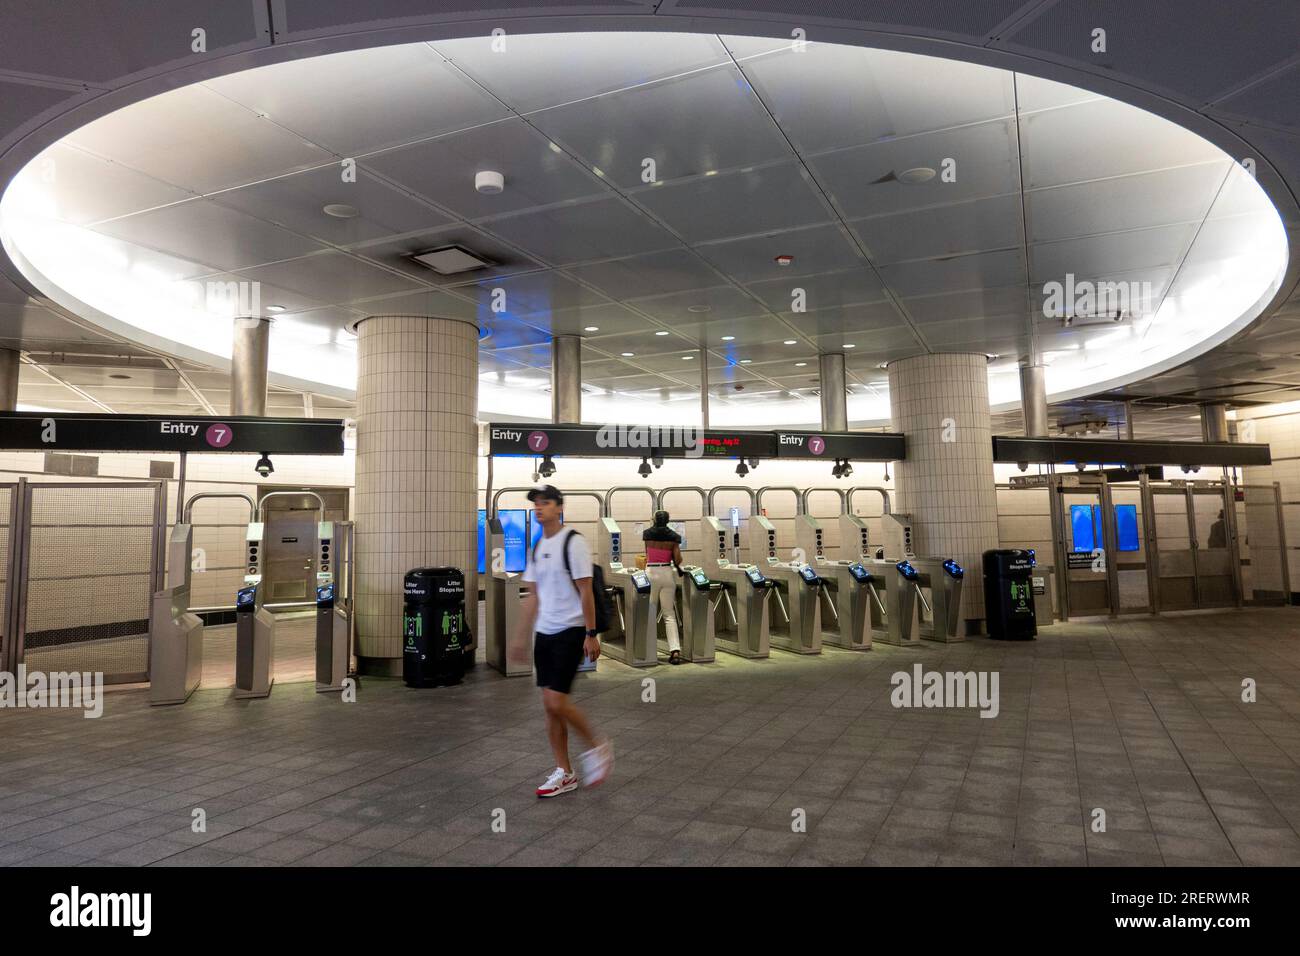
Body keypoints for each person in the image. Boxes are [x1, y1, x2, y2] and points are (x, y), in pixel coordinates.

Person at [518, 484, 613, 797]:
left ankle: (598, 746)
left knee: (556, 701)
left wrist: (591, 633)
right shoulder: (536, 546)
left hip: (571, 631)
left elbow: (586, 590)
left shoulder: (573, 543)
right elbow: (533, 595)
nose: (539, 508)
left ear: (559, 507)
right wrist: (520, 635)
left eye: (545, 503)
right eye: (536, 504)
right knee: (550, 708)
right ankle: (565, 772)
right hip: (544, 633)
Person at [643, 510, 685, 664]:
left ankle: (648, 650)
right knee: (669, 614)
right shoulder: (674, 536)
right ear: (668, 520)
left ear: (654, 519)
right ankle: (675, 651)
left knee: (650, 611)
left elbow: (646, 553)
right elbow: (678, 559)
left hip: (651, 572)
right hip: (667, 573)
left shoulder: (647, 534)